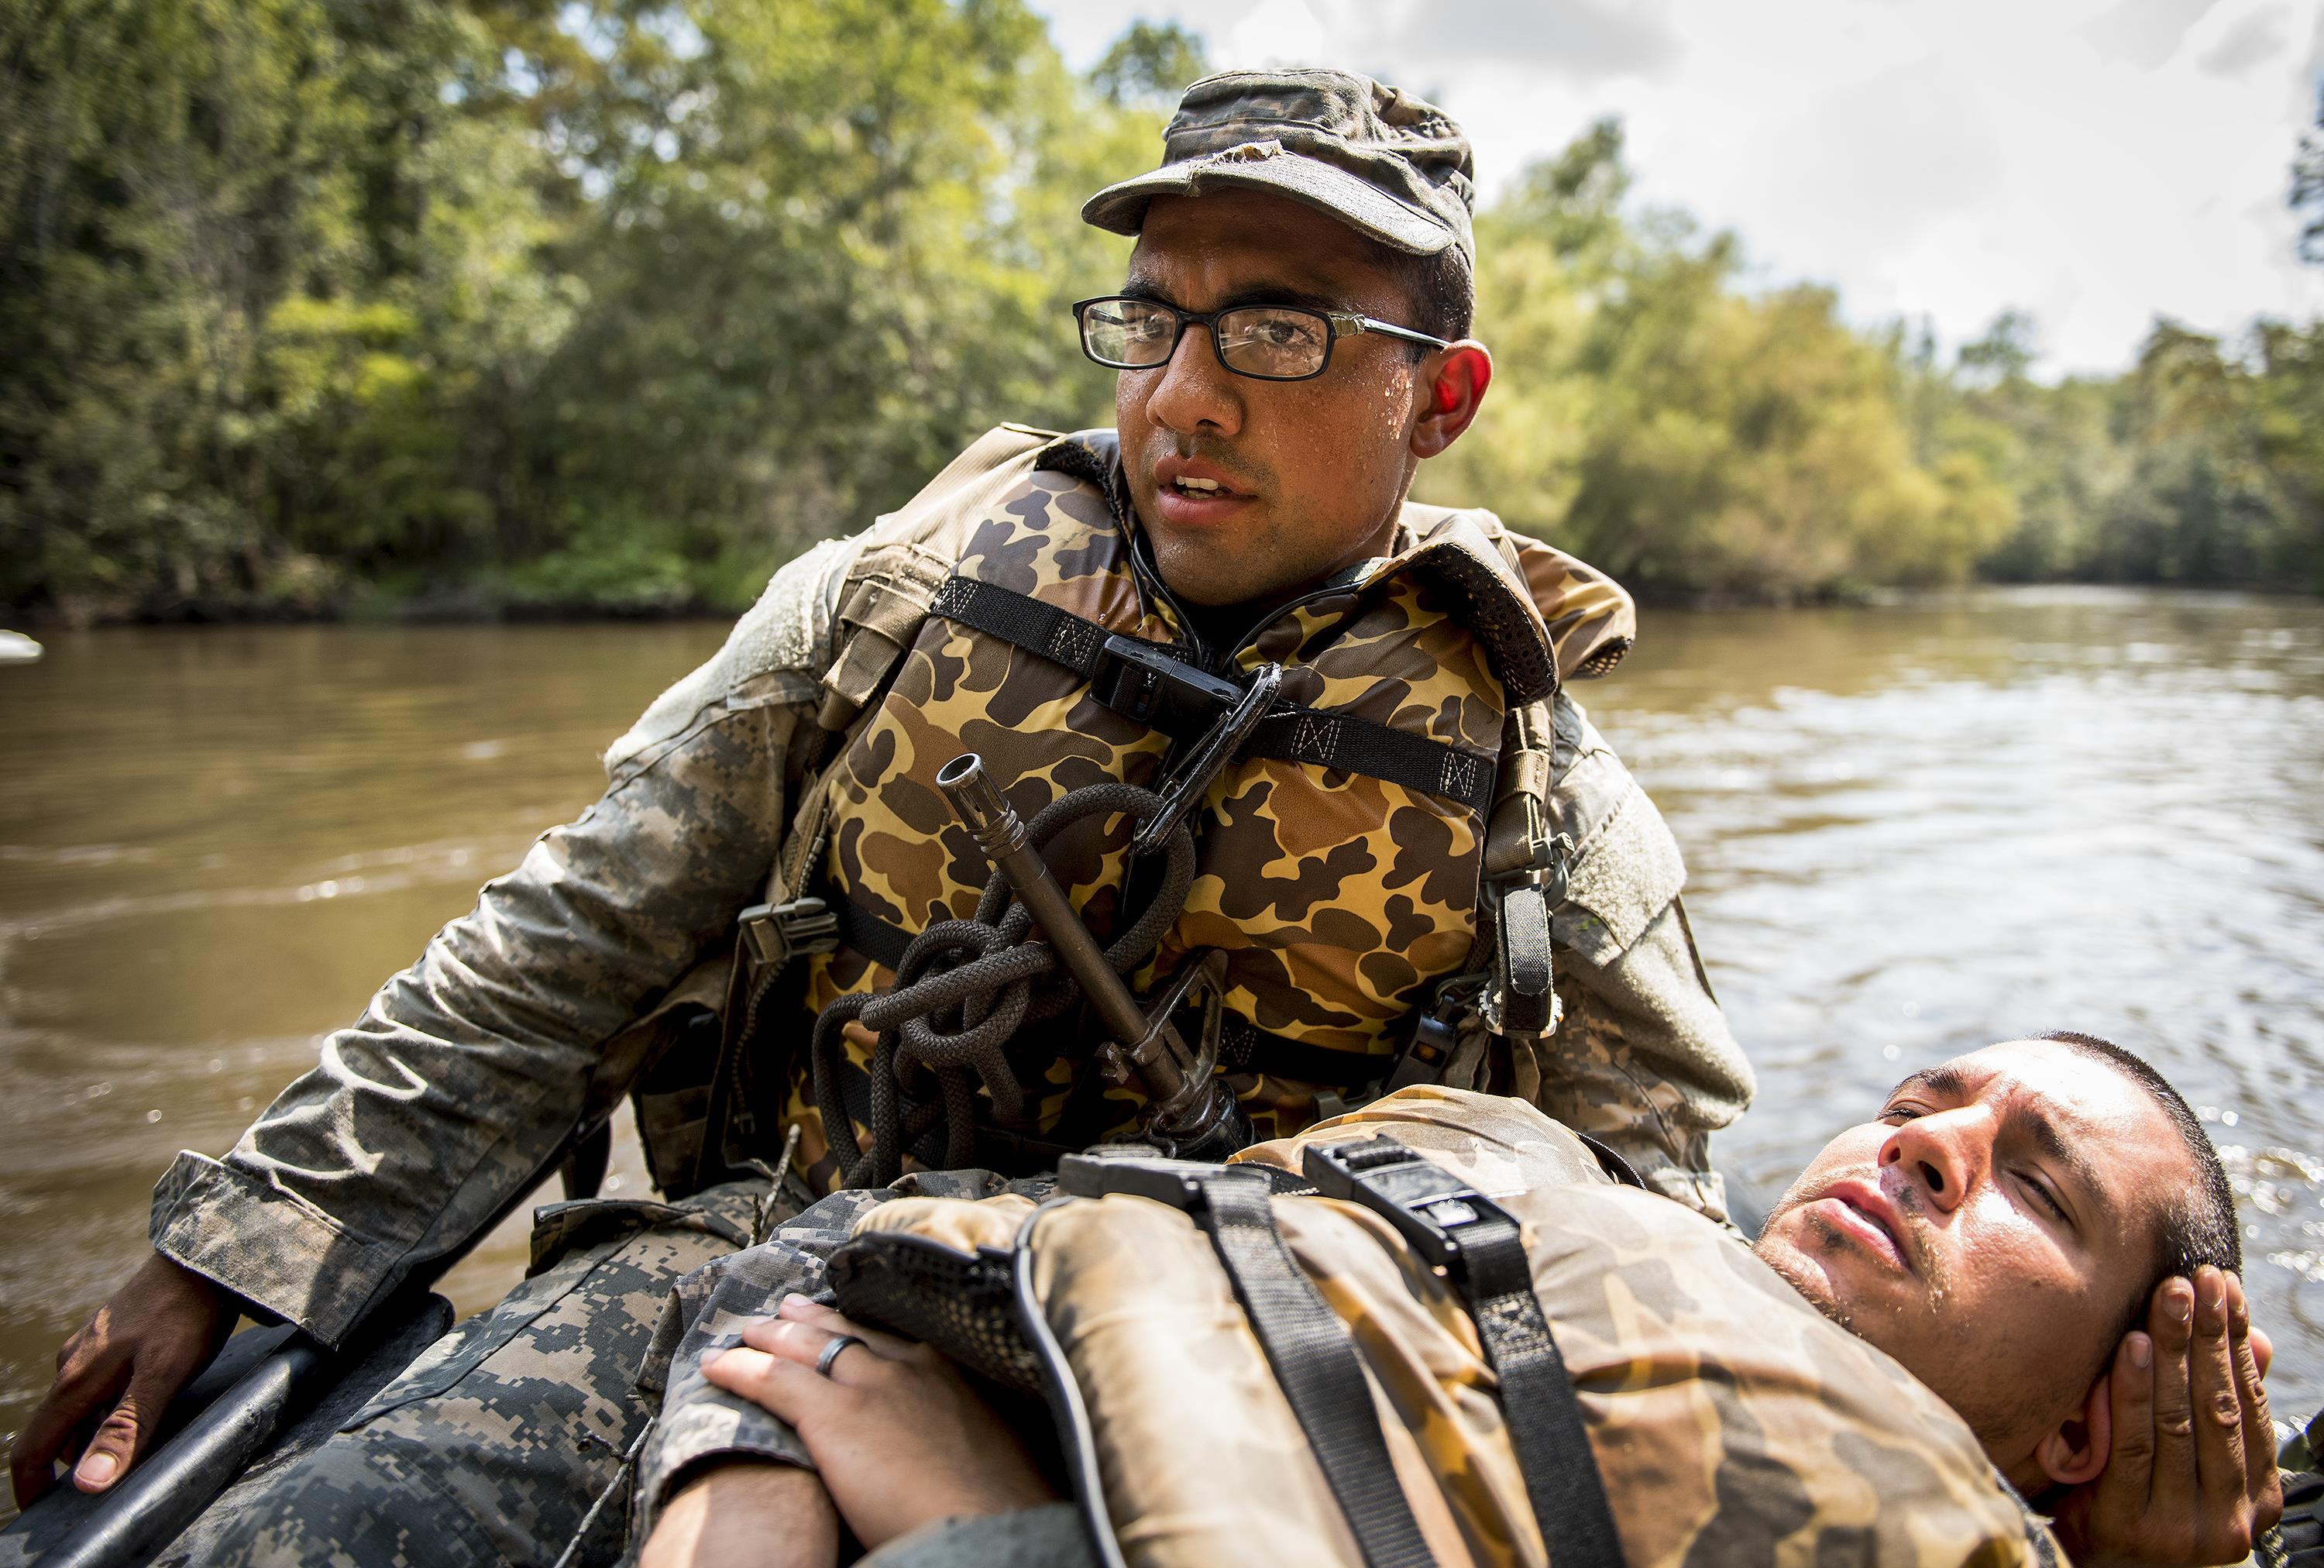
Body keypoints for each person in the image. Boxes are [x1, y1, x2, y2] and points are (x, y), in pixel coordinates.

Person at [9, 68, 1754, 1567]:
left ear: (1438, 398)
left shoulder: (1542, 809)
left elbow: (1656, 1266)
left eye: (1277, 331)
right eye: (1153, 318)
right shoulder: (883, 607)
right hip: (761, 1273)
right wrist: (240, 1248)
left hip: (1230, 1404)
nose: (1183, 394)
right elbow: (559, 955)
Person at [640, 1033, 2287, 1568]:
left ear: (2101, 1421)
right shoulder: (1537, 1173)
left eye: (2038, 1188)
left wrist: (977, 1523)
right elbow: (814, 1284)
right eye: (1920, 1103)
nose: (1925, 1144)